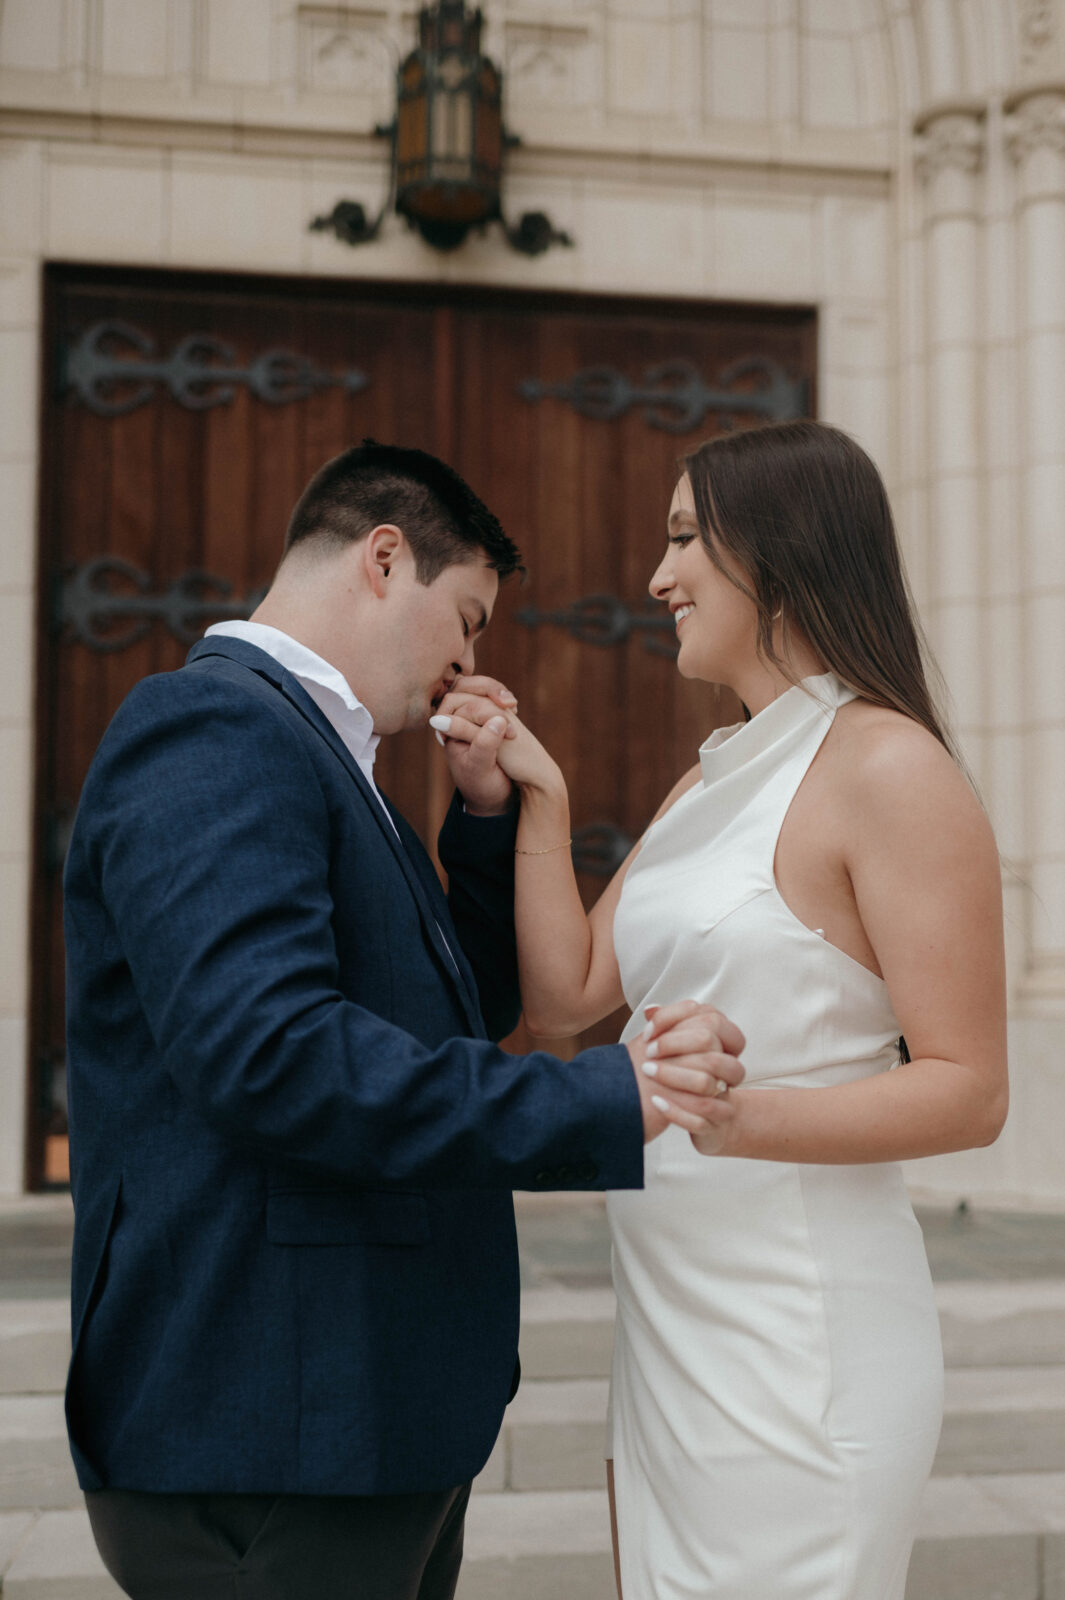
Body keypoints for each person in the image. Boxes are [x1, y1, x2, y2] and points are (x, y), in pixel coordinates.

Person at [62, 440, 747, 1600]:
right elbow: (274, 1057)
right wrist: (601, 1094)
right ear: (384, 559)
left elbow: (446, 1022)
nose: (468, 662)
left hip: (366, 1419)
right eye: (467, 619)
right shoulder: (214, 725)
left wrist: (484, 823)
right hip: (270, 1430)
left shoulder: (329, 756)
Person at [432, 420, 1008, 1599]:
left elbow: (971, 1088)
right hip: (668, 1333)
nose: (658, 577)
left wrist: (745, 1119)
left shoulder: (891, 767)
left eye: (686, 537)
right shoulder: (708, 779)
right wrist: (539, 799)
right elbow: (565, 1001)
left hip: (799, 1343)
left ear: (778, 550)